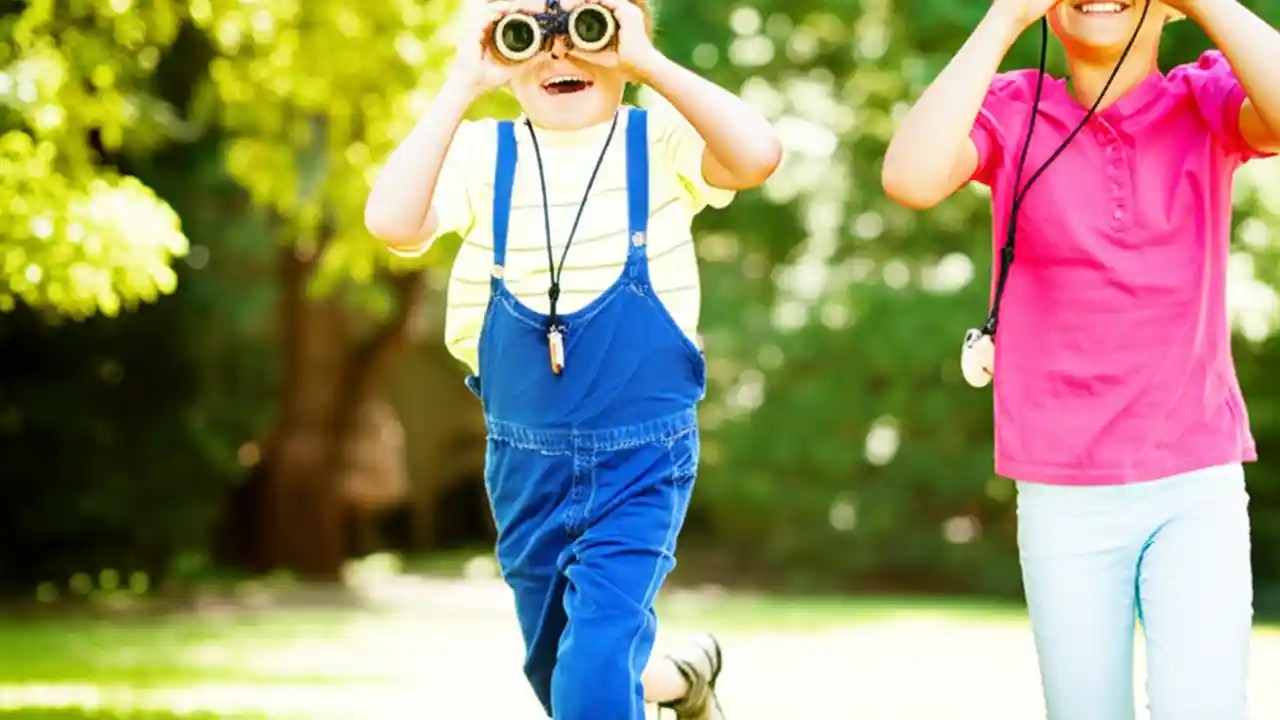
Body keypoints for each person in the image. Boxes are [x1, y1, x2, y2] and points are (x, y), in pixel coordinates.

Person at [364, 0, 782, 717]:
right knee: (560, 670)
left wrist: (645, 61)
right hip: (525, 466)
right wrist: (463, 82)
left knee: (589, 672)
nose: (561, 51)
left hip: (643, 460)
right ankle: (681, 680)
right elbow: (392, 222)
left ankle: (645, 682)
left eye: (588, 27)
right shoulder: (480, 154)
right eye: (530, 31)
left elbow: (756, 155)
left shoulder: (659, 143)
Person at [882, 0, 1278, 717]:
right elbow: (911, 178)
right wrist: (1002, 19)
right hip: (1062, 491)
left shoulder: (1205, 98)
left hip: (1195, 481)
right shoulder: (1014, 108)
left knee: (1207, 706)